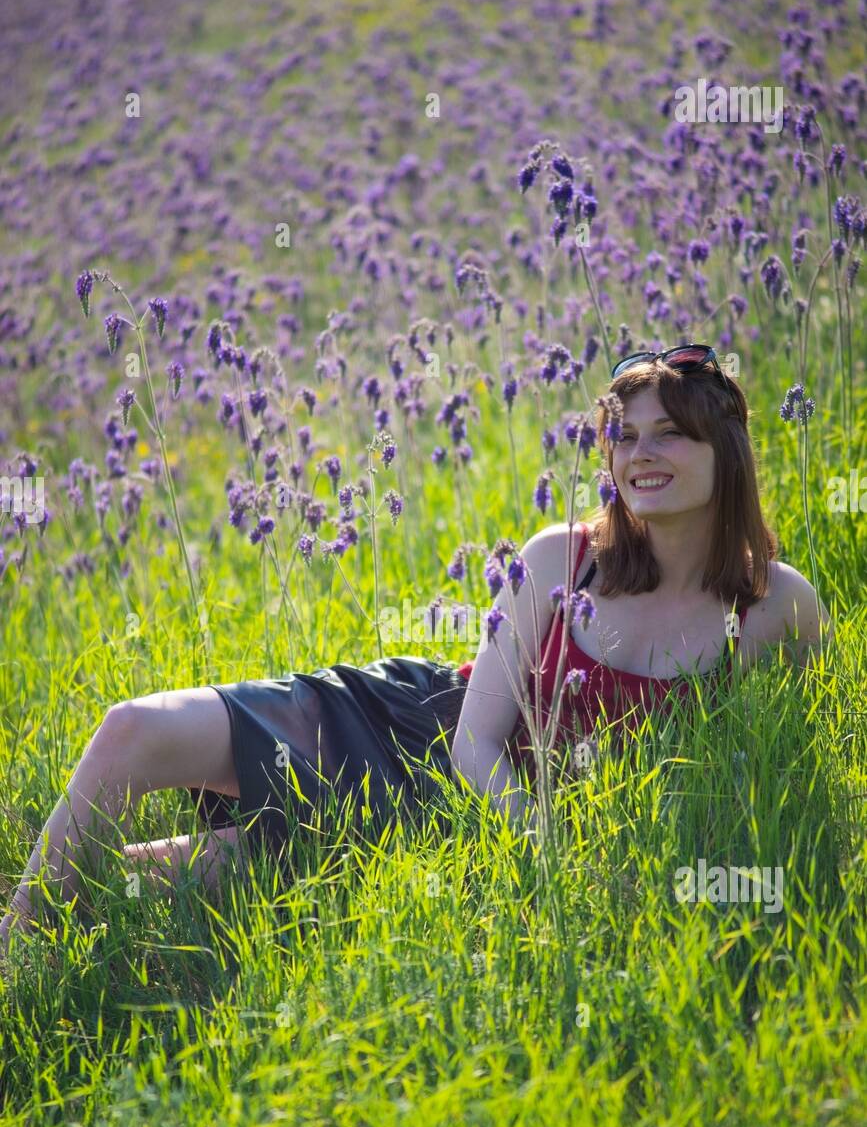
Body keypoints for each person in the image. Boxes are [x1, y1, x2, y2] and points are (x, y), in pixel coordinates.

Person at [0, 346, 832, 953]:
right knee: (130, 729)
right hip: (417, 728)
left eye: (669, 435)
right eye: (625, 437)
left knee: (182, 877)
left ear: (726, 450)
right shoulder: (560, 558)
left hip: (456, 826)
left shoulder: (776, 605)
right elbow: (474, 741)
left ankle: (38, 900)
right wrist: (550, 857)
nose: (640, 454)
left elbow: (805, 756)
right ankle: (17, 959)